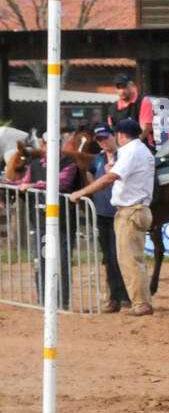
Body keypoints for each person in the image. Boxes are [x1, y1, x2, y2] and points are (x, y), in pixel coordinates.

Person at [68, 118, 155, 316]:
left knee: (129, 259)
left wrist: (81, 192)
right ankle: (141, 301)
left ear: (121, 134)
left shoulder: (131, 151)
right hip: (139, 208)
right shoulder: (141, 150)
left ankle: (141, 303)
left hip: (130, 210)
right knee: (135, 258)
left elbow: (110, 178)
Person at [10, 135, 76, 310]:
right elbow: (23, 183)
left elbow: (60, 183)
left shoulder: (69, 164)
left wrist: (34, 185)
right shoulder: (34, 166)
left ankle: (62, 302)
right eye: (47, 143)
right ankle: (44, 300)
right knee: (41, 261)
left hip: (62, 223)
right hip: (39, 221)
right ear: (43, 145)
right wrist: (8, 184)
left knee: (61, 261)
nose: (50, 147)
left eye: (54, 143)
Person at [87, 123, 131, 312]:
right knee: (108, 257)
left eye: (105, 137)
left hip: (120, 213)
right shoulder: (97, 159)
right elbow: (89, 170)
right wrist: (94, 187)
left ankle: (126, 296)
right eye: (99, 139)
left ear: (114, 136)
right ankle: (114, 296)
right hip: (102, 213)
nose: (103, 142)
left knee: (120, 256)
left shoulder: (124, 156)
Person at [110, 73, 155, 151]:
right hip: (121, 149)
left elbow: (145, 129)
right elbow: (113, 132)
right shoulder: (113, 108)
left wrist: (128, 147)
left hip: (143, 147)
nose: (122, 91)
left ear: (131, 85)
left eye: (124, 87)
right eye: (119, 88)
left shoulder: (143, 101)